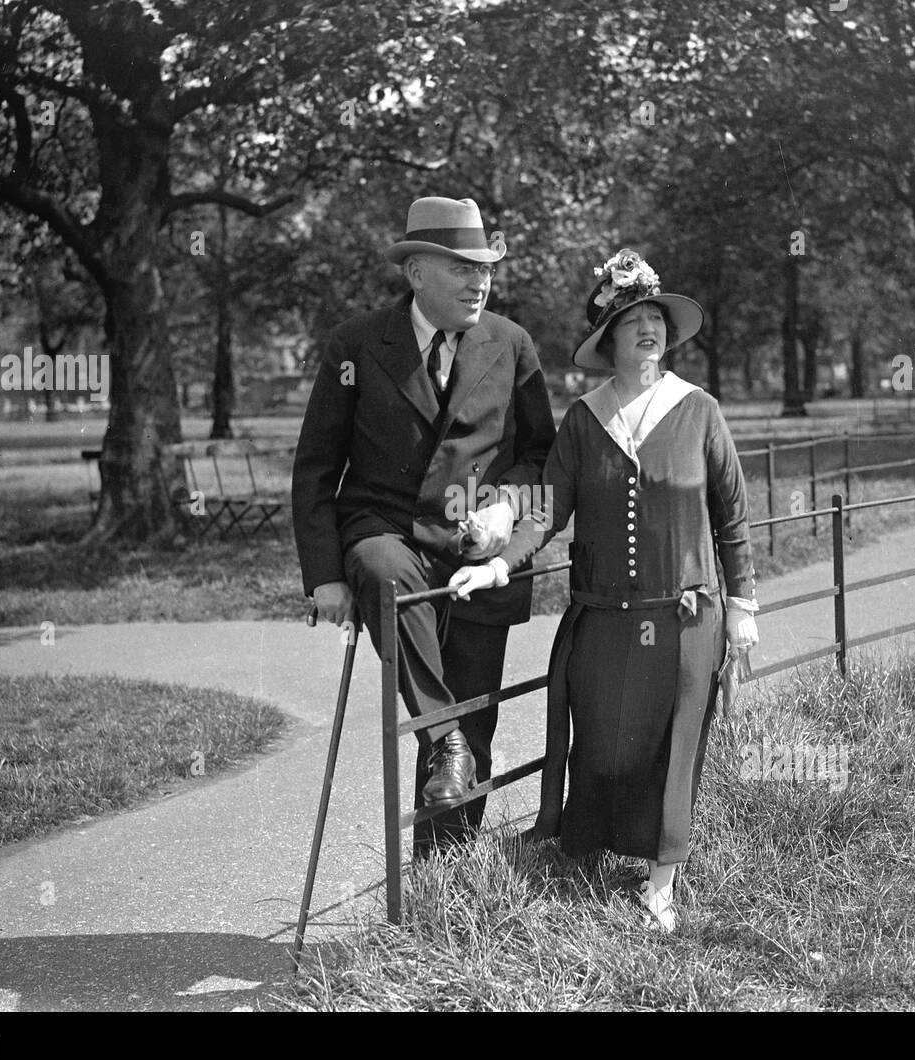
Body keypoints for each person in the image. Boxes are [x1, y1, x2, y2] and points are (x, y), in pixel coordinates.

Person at [448, 249, 759, 930]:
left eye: (655, 317)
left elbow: (732, 514)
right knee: (606, 741)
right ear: (609, 337)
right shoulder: (585, 421)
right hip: (601, 622)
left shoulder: (700, 410)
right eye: (632, 318)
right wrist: (498, 563)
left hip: (684, 619)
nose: (647, 328)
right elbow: (546, 510)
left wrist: (742, 608)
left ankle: (660, 884)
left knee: (673, 746)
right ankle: (585, 853)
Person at [291, 196, 555, 855]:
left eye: (485, 267)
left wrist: (507, 504)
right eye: (461, 266)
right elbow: (317, 465)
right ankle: (446, 735)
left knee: (474, 732)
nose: (479, 280)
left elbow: (541, 454)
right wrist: (325, 575)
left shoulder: (512, 344)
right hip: (388, 536)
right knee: (387, 574)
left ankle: (445, 888)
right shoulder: (356, 344)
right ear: (415, 272)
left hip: (475, 552)